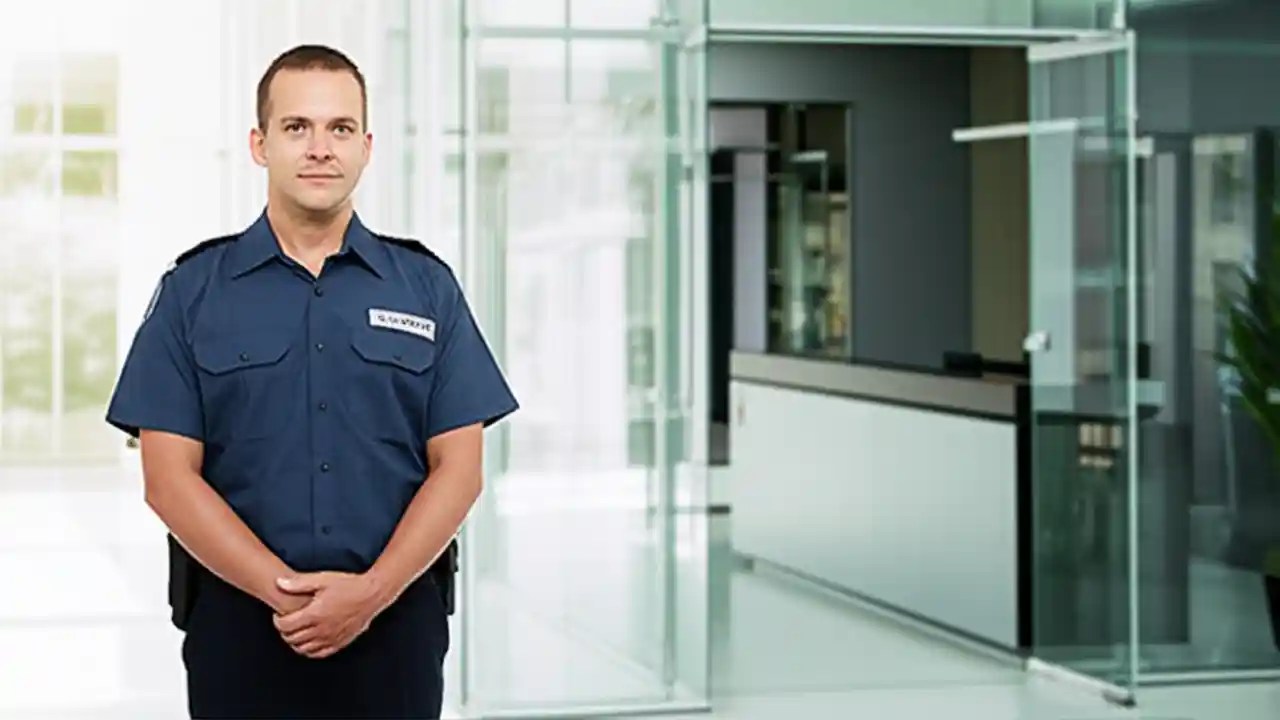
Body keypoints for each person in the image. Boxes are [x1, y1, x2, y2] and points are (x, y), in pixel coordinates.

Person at [105, 43, 517, 719]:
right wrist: (290, 596)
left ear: (366, 146)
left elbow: (460, 468)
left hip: (397, 630)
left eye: (340, 128)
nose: (320, 148)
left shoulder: (427, 289)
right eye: (297, 127)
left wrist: (370, 594)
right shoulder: (192, 293)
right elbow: (168, 479)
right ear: (259, 143)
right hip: (241, 633)